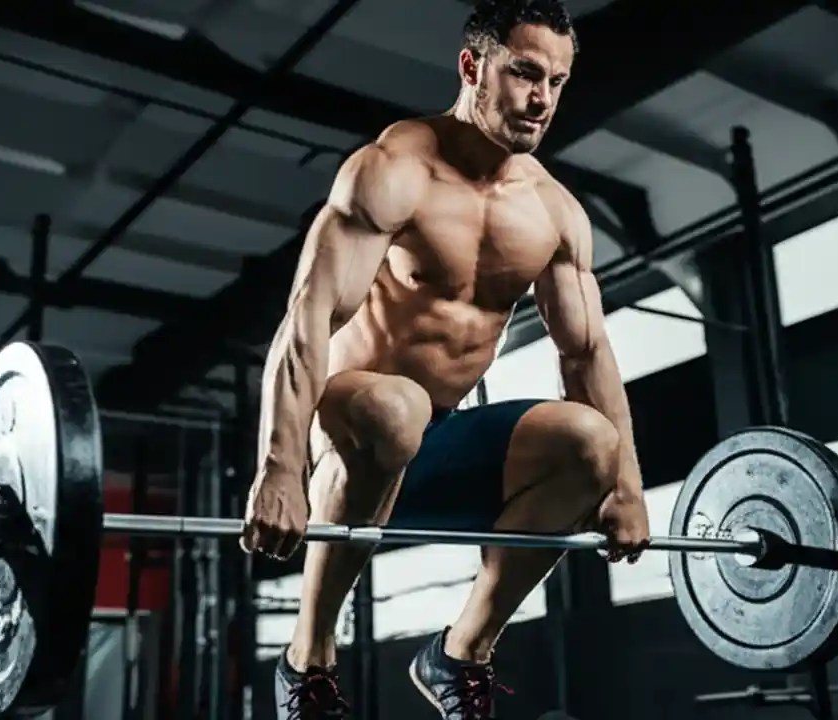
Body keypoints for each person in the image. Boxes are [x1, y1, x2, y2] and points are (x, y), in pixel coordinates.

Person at [242, 1, 651, 717]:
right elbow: (306, 318)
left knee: (595, 447)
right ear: (472, 66)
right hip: (348, 423)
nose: (541, 99)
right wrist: (279, 469)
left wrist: (628, 490)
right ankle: (307, 659)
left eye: (556, 81)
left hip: (437, 437)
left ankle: (459, 654)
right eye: (525, 72)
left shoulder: (554, 212)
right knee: (396, 407)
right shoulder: (394, 169)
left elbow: (585, 352)